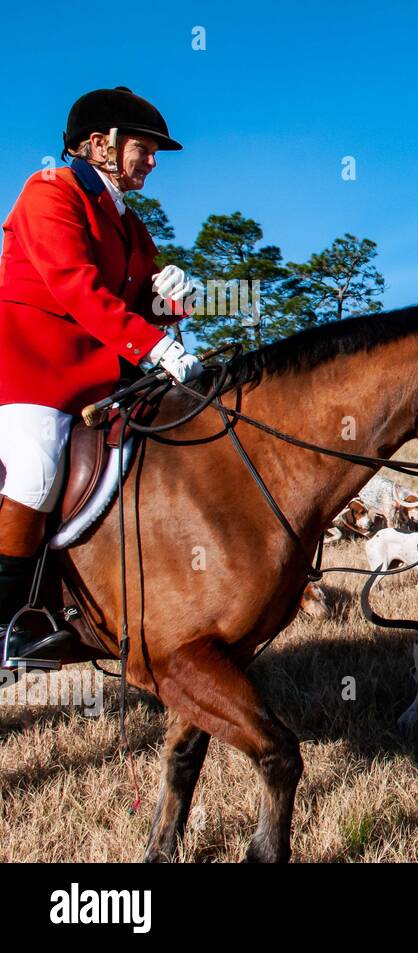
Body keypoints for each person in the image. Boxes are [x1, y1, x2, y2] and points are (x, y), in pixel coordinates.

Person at [0, 87, 204, 669]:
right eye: (145, 148)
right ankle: (5, 625)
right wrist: (157, 344)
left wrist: (170, 307)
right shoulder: (49, 193)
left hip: (103, 383)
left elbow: (135, 307)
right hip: (34, 372)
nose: (153, 160)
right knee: (37, 471)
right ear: (100, 145)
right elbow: (74, 288)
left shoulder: (133, 227)